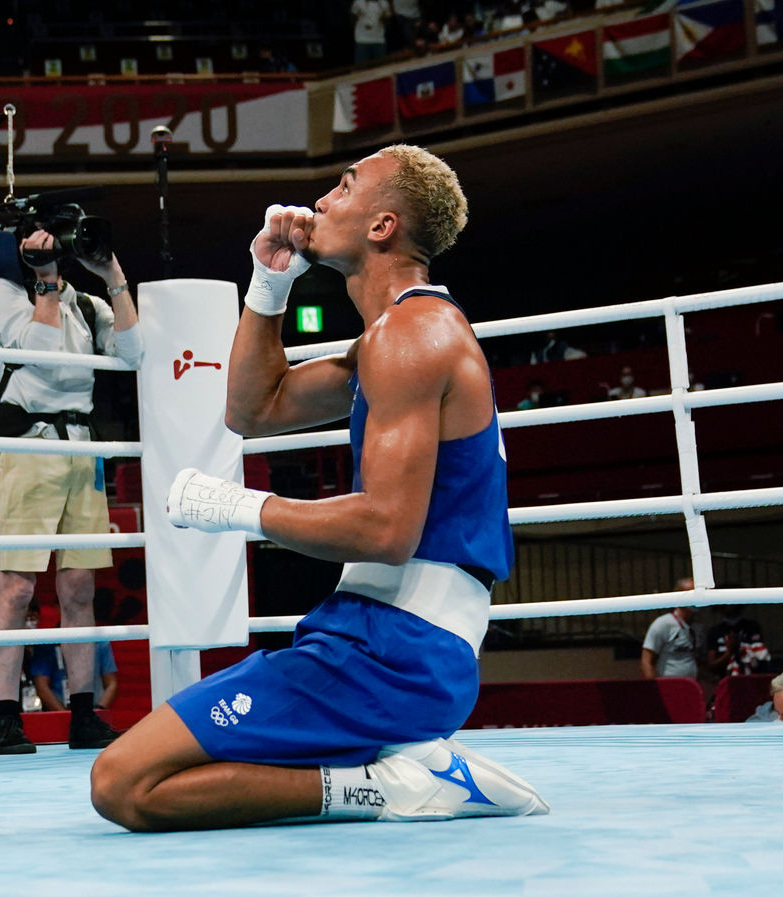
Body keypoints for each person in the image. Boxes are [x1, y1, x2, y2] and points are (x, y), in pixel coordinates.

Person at [90, 145, 549, 831]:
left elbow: (386, 531)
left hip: (398, 651)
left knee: (123, 783)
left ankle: (395, 789)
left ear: (382, 225)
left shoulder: (412, 337)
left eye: (344, 186)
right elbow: (253, 408)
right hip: (377, 638)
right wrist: (269, 284)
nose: (323, 199)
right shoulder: (390, 339)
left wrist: (237, 507)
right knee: (133, 780)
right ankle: (395, 778)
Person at [0, 227, 141, 754]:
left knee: (78, 590)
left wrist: (112, 273)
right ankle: (7, 718)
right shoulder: (2, 294)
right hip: (30, 446)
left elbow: (135, 352)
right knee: (18, 588)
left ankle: (83, 715)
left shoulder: (88, 305)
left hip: (83, 450)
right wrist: (44, 281)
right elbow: (44, 353)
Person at [640, 579, 700, 680]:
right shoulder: (663, 624)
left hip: (691, 686)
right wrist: (655, 689)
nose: (696, 599)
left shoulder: (698, 626)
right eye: (692, 595)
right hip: (669, 686)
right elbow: (646, 661)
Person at [706, 603, 770, 679]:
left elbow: (761, 657)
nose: (729, 605)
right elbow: (712, 665)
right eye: (725, 602)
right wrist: (729, 652)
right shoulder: (715, 631)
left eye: (732, 602)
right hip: (725, 680)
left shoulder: (751, 627)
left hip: (750, 678)